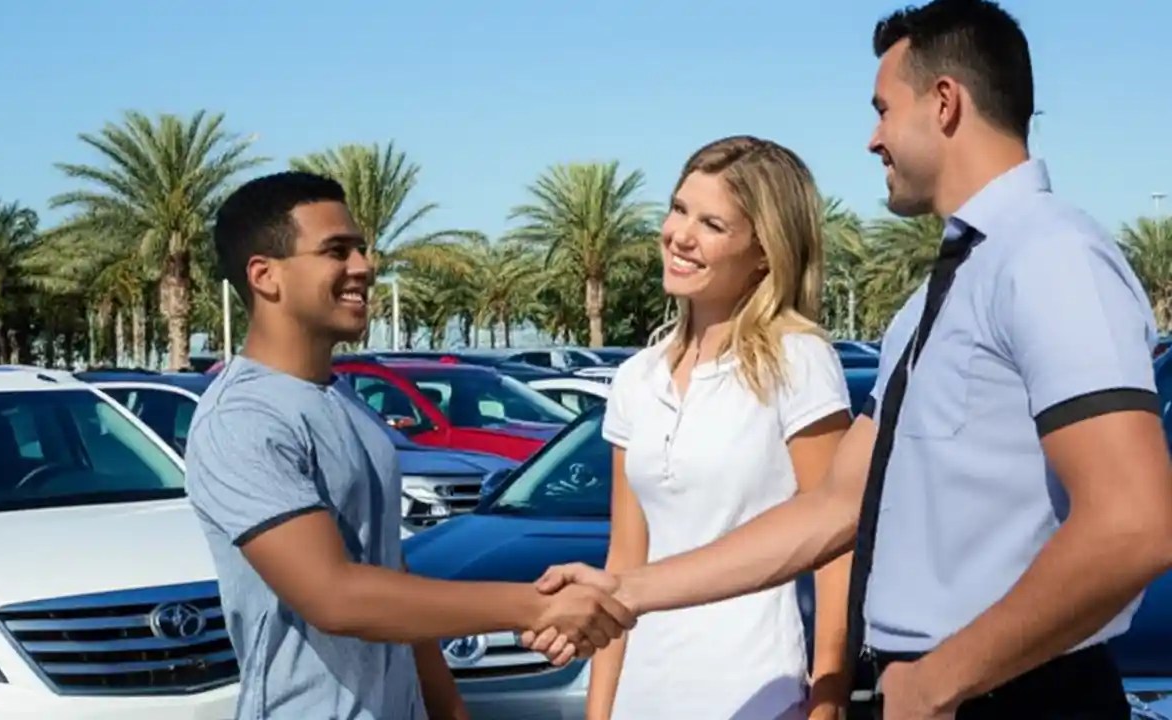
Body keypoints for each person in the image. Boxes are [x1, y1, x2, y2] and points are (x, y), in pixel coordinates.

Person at [526, 1, 1172, 718]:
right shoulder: (937, 298)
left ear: (946, 103)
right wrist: (625, 591)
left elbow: (1135, 524)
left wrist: (939, 680)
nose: (872, 140)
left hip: (1013, 693)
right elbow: (833, 507)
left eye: (883, 110)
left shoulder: (1052, 257)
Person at [183, 171, 635, 720]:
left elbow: (390, 580)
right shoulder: (242, 419)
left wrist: (449, 710)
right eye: (336, 251)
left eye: (362, 249)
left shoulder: (341, 398)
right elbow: (336, 596)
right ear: (265, 276)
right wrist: (536, 606)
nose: (364, 267)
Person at [541, 135, 855, 719]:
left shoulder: (799, 359)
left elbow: (837, 542)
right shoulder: (636, 379)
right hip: (644, 692)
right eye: (679, 209)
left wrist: (829, 698)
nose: (680, 235)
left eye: (712, 223)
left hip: (757, 692)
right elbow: (625, 560)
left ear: (765, 251)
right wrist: (599, 711)